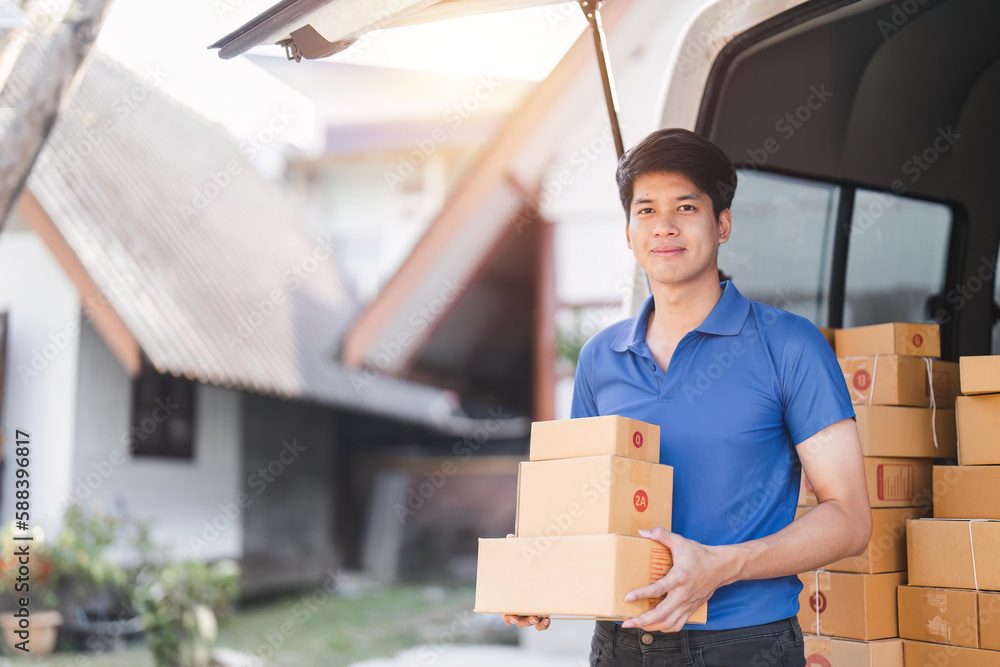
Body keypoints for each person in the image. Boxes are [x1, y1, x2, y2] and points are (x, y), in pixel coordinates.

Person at [503, 128, 872, 666]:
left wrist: (725, 565)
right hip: (622, 645)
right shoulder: (600, 358)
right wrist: (540, 571)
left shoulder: (789, 345)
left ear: (722, 224)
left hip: (745, 646)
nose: (665, 227)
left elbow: (850, 518)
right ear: (628, 234)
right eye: (646, 210)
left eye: (685, 207)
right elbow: (581, 506)